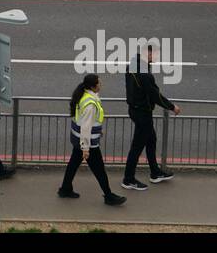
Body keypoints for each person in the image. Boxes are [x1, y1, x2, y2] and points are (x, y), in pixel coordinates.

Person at [59, 73, 126, 206]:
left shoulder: (83, 95)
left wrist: (97, 130)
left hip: (78, 138)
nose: (101, 85)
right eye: (99, 83)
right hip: (87, 142)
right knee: (99, 170)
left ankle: (65, 189)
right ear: (93, 86)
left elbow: (86, 121)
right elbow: (86, 126)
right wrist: (85, 148)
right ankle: (108, 196)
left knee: (73, 164)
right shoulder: (90, 103)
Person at [122, 45, 180, 191]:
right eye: (153, 55)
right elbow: (155, 94)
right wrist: (171, 107)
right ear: (147, 55)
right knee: (136, 147)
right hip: (142, 113)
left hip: (135, 109)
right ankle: (128, 179)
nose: (155, 58)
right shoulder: (145, 74)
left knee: (151, 140)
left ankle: (155, 172)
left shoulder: (133, 65)